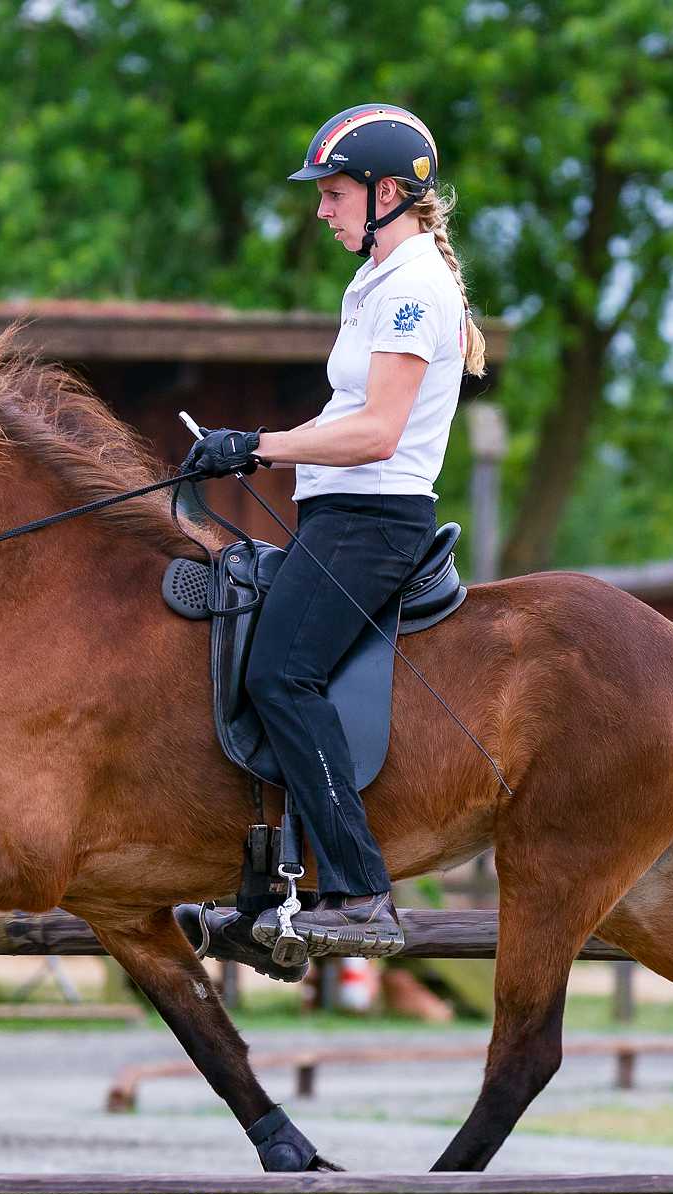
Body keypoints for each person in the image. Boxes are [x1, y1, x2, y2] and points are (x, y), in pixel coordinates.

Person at [180, 103, 487, 961]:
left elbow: (377, 432)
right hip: (337, 512)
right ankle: (258, 884)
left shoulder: (415, 290)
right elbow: (341, 412)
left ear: (389, 193)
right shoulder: (376, 281)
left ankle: (357, 890)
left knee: (281, 673)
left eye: (336, 192)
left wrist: (259, 446)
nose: (324, 209)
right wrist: (239, 448)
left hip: (373, 519)